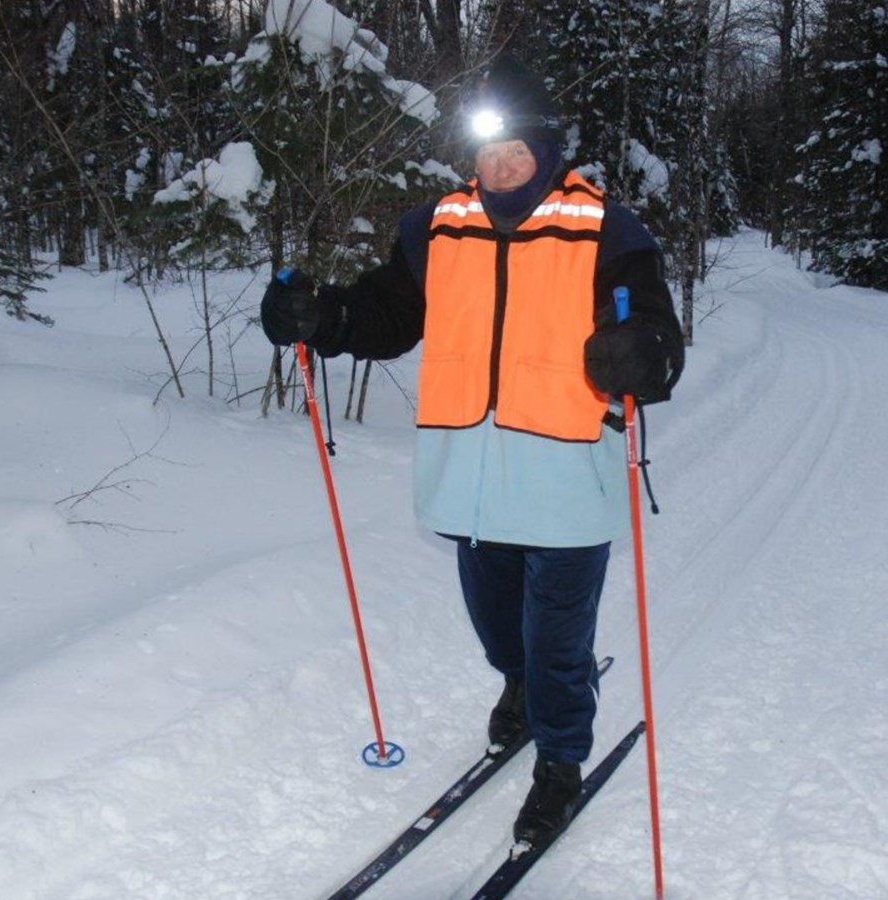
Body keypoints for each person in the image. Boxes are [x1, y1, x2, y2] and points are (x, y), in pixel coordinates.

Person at [260, 54, 683, 846]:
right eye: (488, 151)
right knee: (499, 627)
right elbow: (385, 319)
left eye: (517, 149)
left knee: (558, 641)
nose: (501, 165)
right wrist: (319, 317)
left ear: (548, 150)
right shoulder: (435, 228)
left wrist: (643, 352)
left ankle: (560, 760)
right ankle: (520, 685)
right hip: (472, 480)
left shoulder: (607, 229)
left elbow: (655, 329)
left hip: (563, 479)